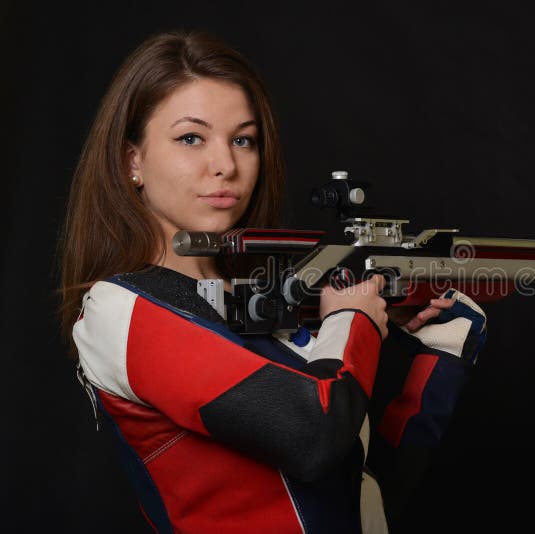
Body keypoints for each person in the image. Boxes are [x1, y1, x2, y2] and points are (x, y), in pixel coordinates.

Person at [58, 29, 487, 534]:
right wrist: (352, 319)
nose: (226, 166)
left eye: (243, 140)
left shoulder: (275, 308)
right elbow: (314, 437)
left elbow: (362, 497)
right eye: (190, 137)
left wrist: (441, 357)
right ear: (133, 161)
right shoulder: (118, 311)